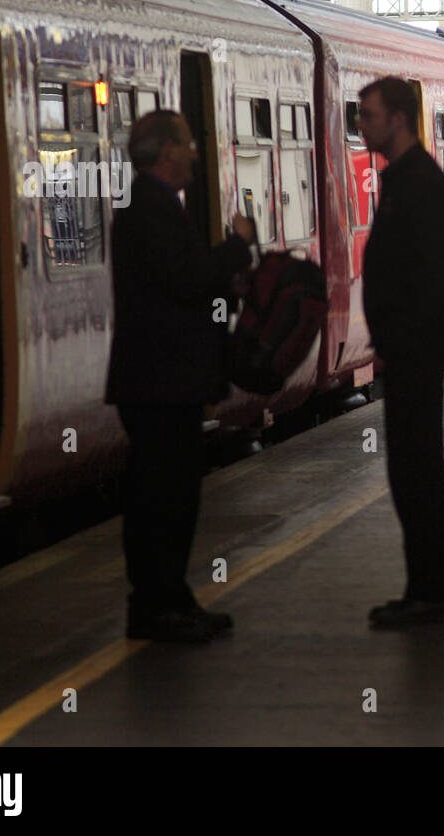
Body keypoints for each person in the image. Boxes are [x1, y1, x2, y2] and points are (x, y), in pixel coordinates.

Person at [105, 109, 255, 643]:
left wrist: (225, 288)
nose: (195, 153)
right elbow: (185, 280)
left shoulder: (154, 207)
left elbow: (180, 285)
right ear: (168, 150)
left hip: (162, 380)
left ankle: (168, 599)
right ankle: (159, 604)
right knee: (164, 497)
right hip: (160, 381)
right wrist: (238, 245)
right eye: (189, 144)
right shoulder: (150, 209)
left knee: (166, 495)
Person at [356, 76, 444, 628]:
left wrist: (407, 325)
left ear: (398, 118)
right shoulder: (405, 177)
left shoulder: (420, 181)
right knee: (413, 469)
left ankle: (441, 591)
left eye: (368, 115)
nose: (362, 125)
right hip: (410, 344)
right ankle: (428, 586)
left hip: (415, 347)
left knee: (418, 469)